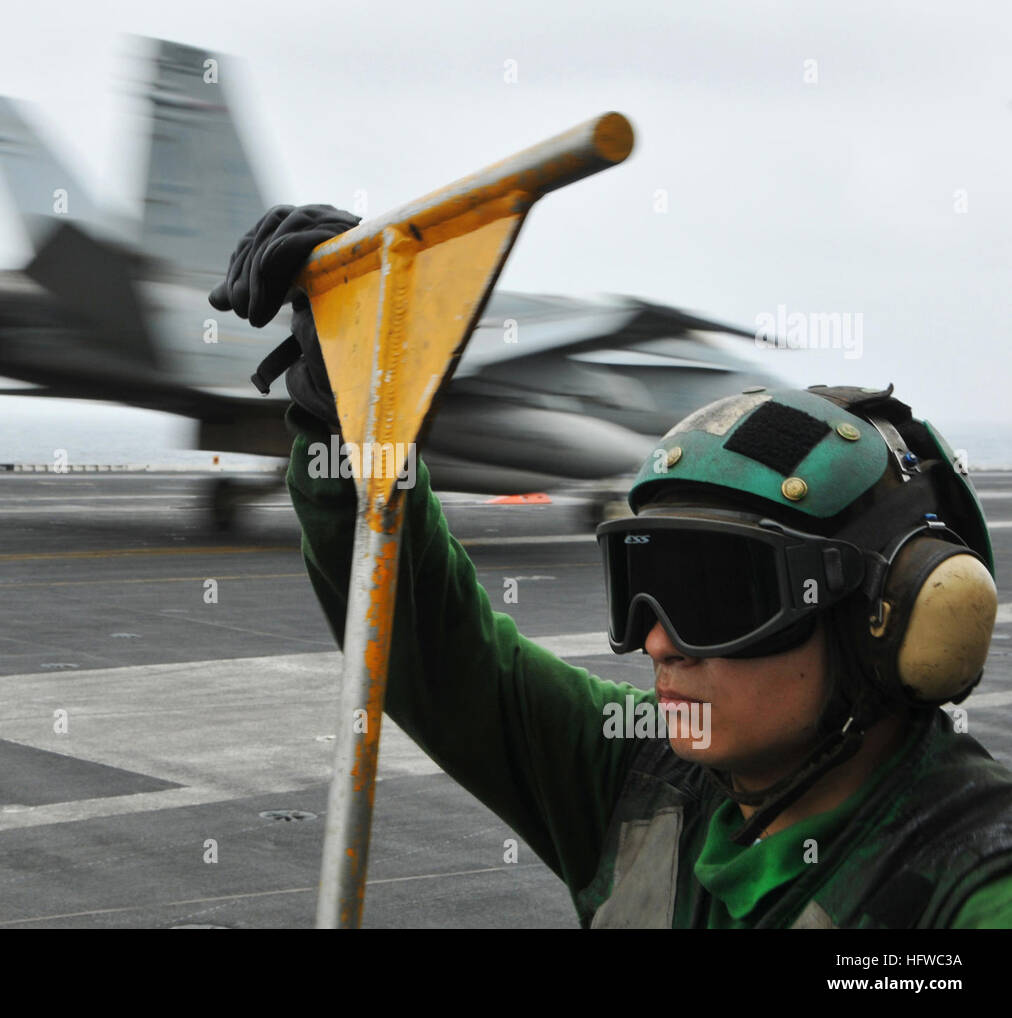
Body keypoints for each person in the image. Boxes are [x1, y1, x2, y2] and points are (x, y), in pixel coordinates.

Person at [209, 204, 1012, 928]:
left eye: (714, 593)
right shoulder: (641, 782)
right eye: (643, 587)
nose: (659, 645)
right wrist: (350, 406)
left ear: (894, 619)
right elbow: (430, 650)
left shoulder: (975, 880)